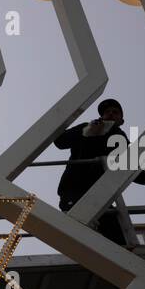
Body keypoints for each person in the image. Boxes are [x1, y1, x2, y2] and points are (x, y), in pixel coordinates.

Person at [54, 98, 131, 244]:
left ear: (121, 120)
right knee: (77, 232)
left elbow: (142, 173)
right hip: (74, 191)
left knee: (120, 240)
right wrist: (86, 132)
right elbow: (60, 141)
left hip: (101, 197)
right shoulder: (86, 128)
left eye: (115, 112)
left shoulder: (122, 141)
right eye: (106, 112)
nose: (110, 114)